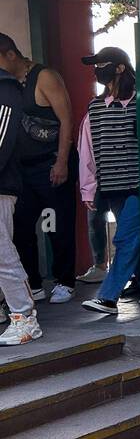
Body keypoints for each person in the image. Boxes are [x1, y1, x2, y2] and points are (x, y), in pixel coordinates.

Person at [0, 33, 77, 304]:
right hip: (20, 168)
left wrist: (62, 161)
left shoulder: (44, 77)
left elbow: (67, 119)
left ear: (11, 54)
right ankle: (32, 282)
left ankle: (65, 280)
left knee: (56, 223)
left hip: (51, 161)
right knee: (20, 227)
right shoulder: (6, 85)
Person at [77, 48, 140, 317]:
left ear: (119, 68)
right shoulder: (94, 107)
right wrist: (88, 190)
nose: (97, 70)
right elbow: (87, 152)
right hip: (111, 188)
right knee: (137, 240)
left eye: (102, 64)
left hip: (139, 187)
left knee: (126, 237)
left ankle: (107, 297)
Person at [0, 66, 41, 344]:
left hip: (1, 187)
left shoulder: (4, 87)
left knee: (2, 255)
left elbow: (1, 139)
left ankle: (24, 318)